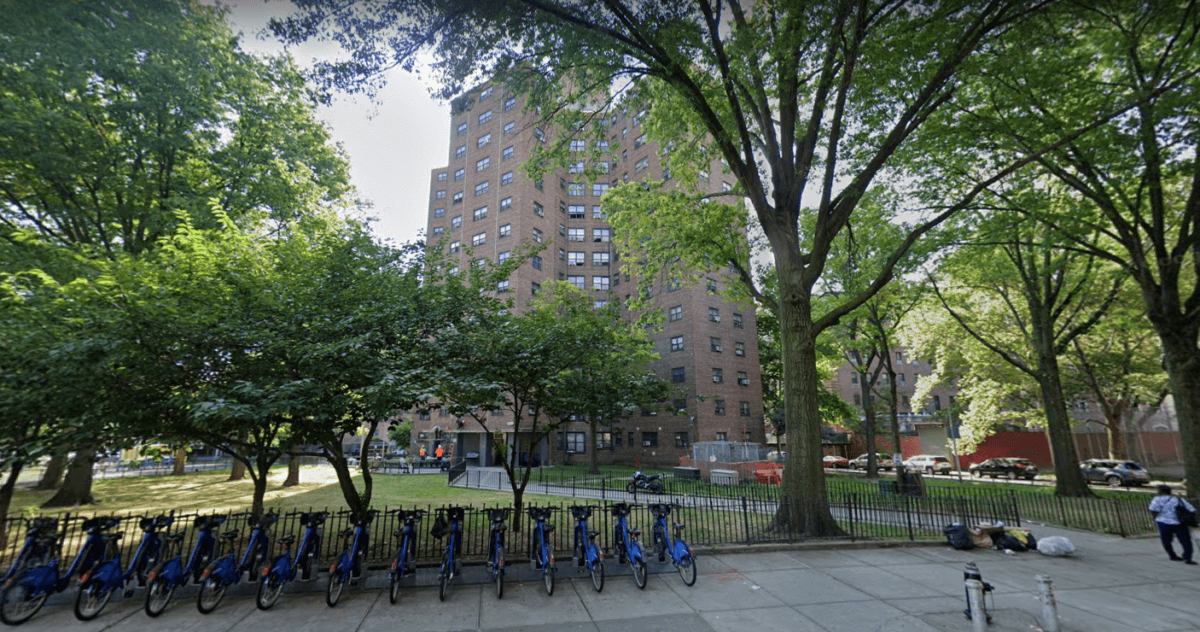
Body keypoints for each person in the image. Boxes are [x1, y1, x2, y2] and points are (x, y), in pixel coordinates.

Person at [1148, 484, 1196, 564]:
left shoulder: (1156, 500)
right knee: (1185, 541)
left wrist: (1155, 518)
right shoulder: (1177, 499)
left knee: (1166, 540)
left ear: (1161, 491)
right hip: (1179, 523)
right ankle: (1187, 557)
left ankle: (1172, 555)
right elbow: (1191, 509)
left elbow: (1153, 510)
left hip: (1163, 522)